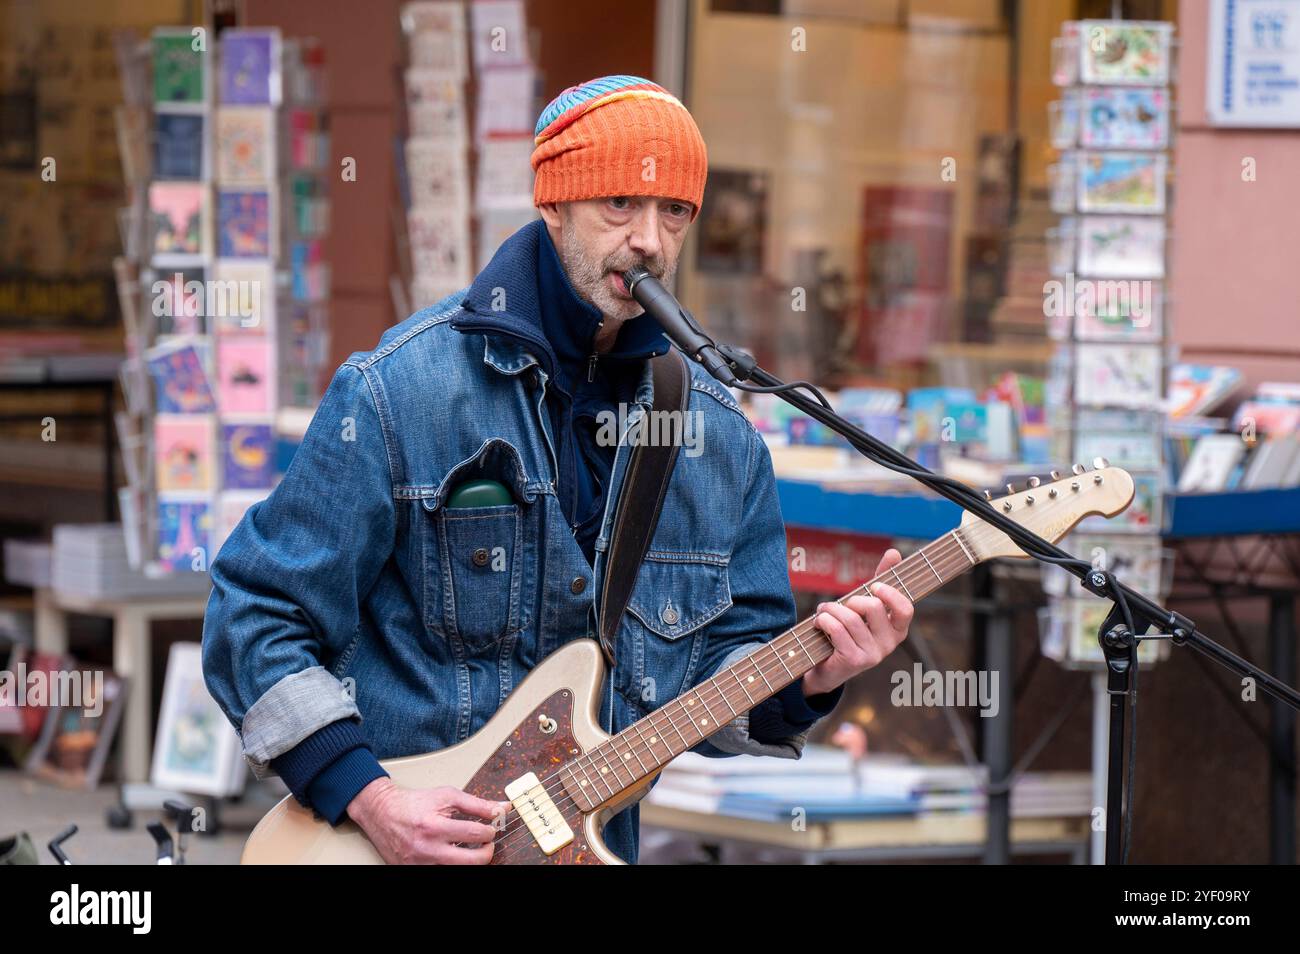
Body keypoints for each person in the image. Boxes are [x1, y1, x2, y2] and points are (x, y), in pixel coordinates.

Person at [202, 74, 913, 864]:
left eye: (673, 212)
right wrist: (370, 799)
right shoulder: (398, 392)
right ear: (552, 205)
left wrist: (811, 678)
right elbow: (255, 616)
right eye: (620, 204)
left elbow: (724, 669)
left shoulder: (718, 433)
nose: (649, 239)